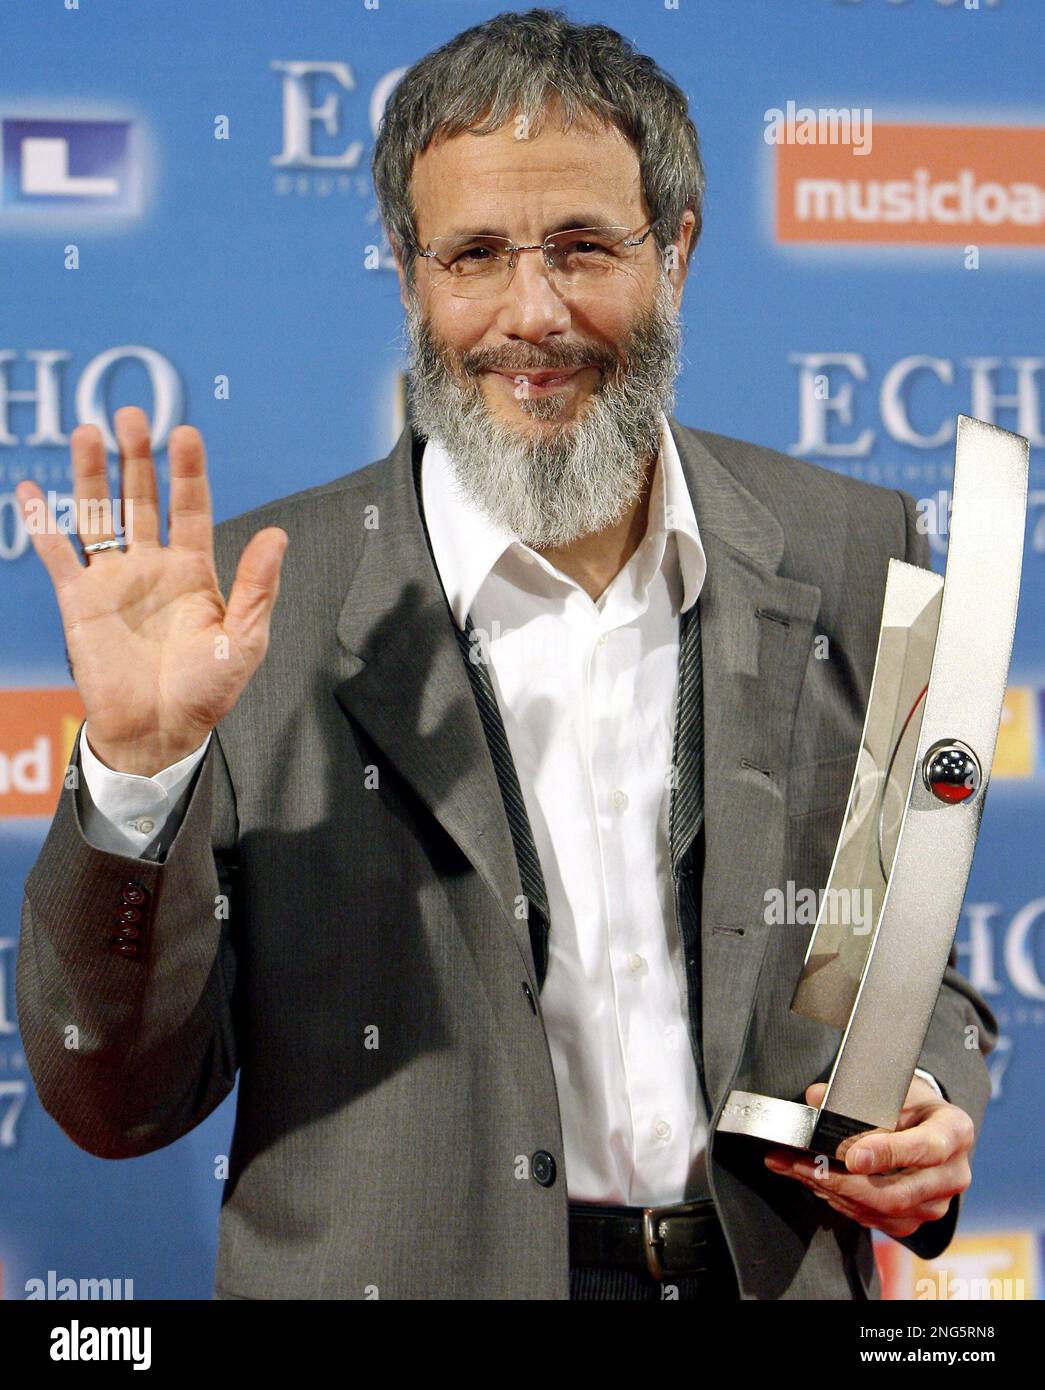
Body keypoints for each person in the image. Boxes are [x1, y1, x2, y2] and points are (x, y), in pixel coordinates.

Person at [16, 8, 994, 1301]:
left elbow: (892, 938)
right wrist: (140, 773)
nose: (531, 314)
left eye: (584, 247)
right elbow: (114, 1096)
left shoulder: (853, 544)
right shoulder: (251, 607)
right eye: (474, 255)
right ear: (411, 273)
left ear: (680, 250)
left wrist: (914, 1088)